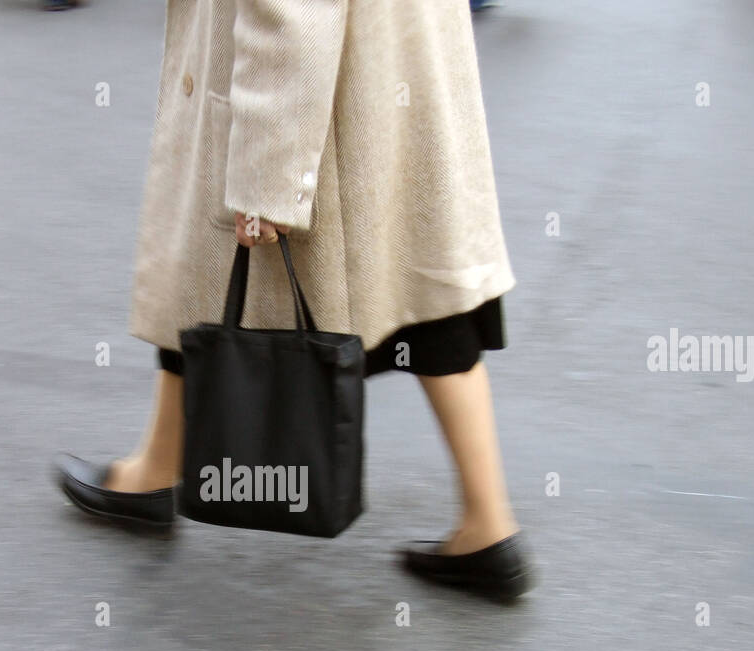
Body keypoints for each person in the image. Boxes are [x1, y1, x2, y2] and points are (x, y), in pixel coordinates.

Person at [57, 0, 533, 602]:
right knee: (422, 284)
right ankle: (489, 521)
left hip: (324, 95)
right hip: (398, 60)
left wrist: (266, 172)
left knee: (212, 279)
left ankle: (152, 472)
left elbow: (292, 10)